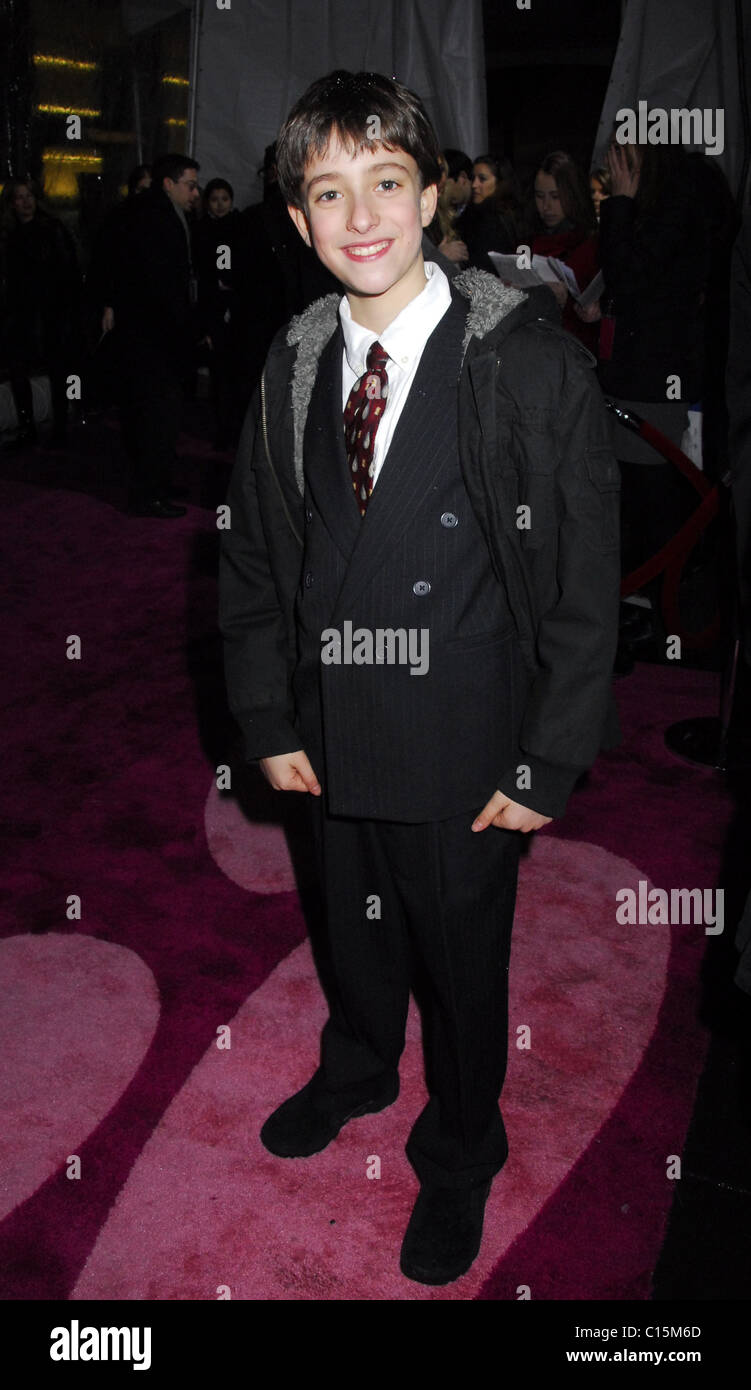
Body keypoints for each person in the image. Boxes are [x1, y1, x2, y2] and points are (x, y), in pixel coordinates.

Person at [219, 69, 620, 1286]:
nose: (359, 216)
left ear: (433, 190)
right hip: (335, 725)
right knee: (353, 928)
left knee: (459, 960)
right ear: (296, 220)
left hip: (463, 736)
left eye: (385, 181)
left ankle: (459, 1149)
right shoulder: (293, 362)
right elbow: (250, 555)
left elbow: (584, 587)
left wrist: (547, 757)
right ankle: (355, 1068)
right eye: (327, 192)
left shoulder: (527, 364)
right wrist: (266, 712)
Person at [108, 153, 201, 517]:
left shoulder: (158, 213)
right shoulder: (153, 218)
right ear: (169, 183)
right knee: (156, 416)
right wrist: (185, 331)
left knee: (156, 416)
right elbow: (160, 286)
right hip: (155, 340)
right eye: (189, 185)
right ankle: (150, 494)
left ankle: (155, 484)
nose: (195, 193)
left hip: (152, 337)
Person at [0, 177, 81, 449]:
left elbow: (66, 270)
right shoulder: (9, 234)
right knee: (20, 368)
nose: (26, 202)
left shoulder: (50, 228)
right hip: (22, 312)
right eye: (19, 198)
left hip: (49, 311)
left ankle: (59, 426)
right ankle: (28, 426)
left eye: (29, 196)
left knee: (57, 368)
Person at [193, 177, 244, 448]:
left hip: (234, 306)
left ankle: (229, 427)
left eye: (225, 199)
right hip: (212, 305)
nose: (221, 204)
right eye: (215, 199)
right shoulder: (203, 228)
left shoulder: (237, 226)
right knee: (218, 372)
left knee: (231, 372)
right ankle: (220, 427)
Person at [461, 153, 521, 272]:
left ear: (499, 183)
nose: (474, 185)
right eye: (473, 178)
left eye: (482, 179)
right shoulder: (472, 213)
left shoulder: (496, 220)